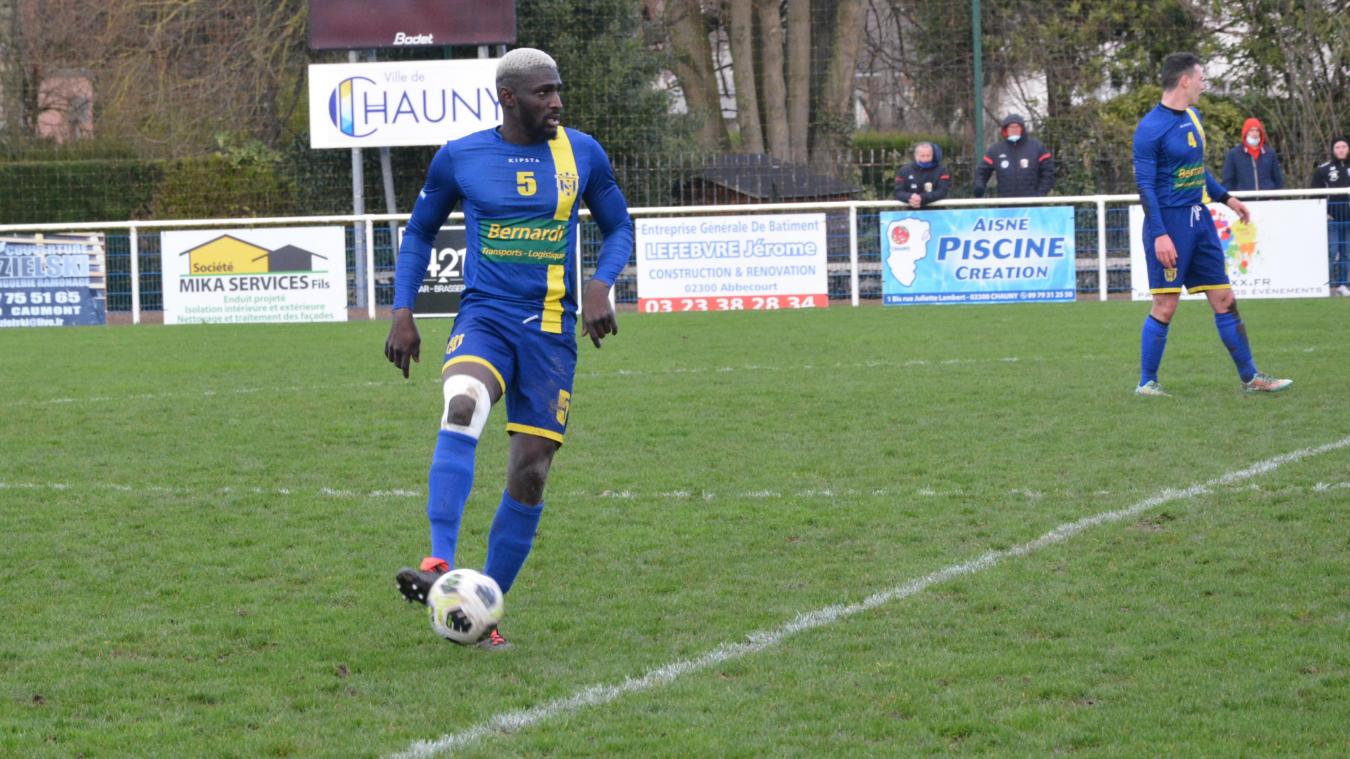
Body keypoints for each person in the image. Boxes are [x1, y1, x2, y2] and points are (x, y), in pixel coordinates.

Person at [383, 48, 634, 649]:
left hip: (551, 332)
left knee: (530, 473)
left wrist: (601, 283)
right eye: (544, 92)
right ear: (509, 98)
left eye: (558, 91)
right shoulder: (462, 156)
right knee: (463, 402)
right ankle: (439, 563)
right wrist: (402, 310)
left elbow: (619, 224)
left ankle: (481, 605)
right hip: (486, 317)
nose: (557, 102)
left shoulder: (583, 152)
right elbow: (419, 231)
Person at [1131, 51, 1291, 397]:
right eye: (1201, 78)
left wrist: (1226, 199)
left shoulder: (1194, 117)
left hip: (1200, 220)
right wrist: (1159, 233)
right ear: (1184, 80)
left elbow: (1197, 169)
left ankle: (1251, 378)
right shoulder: (1149, 129)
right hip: (1169, 225)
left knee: (1224, 297)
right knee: (1166, 305)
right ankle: (1147, 382)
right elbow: (1145, 186)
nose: (1205, 84)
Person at [973, 113, 1055, 198]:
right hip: (1005, 204)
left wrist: (1040, 194)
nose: (1014, 129)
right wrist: (979, 185)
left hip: (1032, 205)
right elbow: (982, 171)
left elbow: (1048, 172)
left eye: (1017, 127)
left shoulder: (1037, 147)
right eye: (1011, 127)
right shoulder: (996, 150)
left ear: (1022, 129)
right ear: (1005, 130)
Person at [1309, 135, 1350, 295]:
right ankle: (1327, 284)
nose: (1341, 150)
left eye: (1344, 146)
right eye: (1337, 147)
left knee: (1346, 251)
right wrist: (1323, 213)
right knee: (1332, 250)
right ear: (1333, 150)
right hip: (1332, 218)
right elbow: (1315, 193)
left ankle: (1342, 284)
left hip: (1348, 219)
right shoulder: (1323, 169)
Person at [1221, 117, 1284, 191]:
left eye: (1257, 131)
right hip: (1244, 199)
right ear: (1246, 132)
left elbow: (1278, 179)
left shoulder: (1270, 154)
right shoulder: (1234, 154)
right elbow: (1228, 181)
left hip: (1267, 200)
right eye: (1251, 130)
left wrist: (1274, 197)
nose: (1255, 133)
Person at [894, 142, 950, 208]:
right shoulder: (904, 170)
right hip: (911, 213)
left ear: (933, 155)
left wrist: (922, 198)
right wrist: (910, 197)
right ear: (916, 156)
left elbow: (942, 191)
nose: (925, 159)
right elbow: (898, 192)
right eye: (922, 156)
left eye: (928, 156)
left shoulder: (942, 170)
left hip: (937, 212)